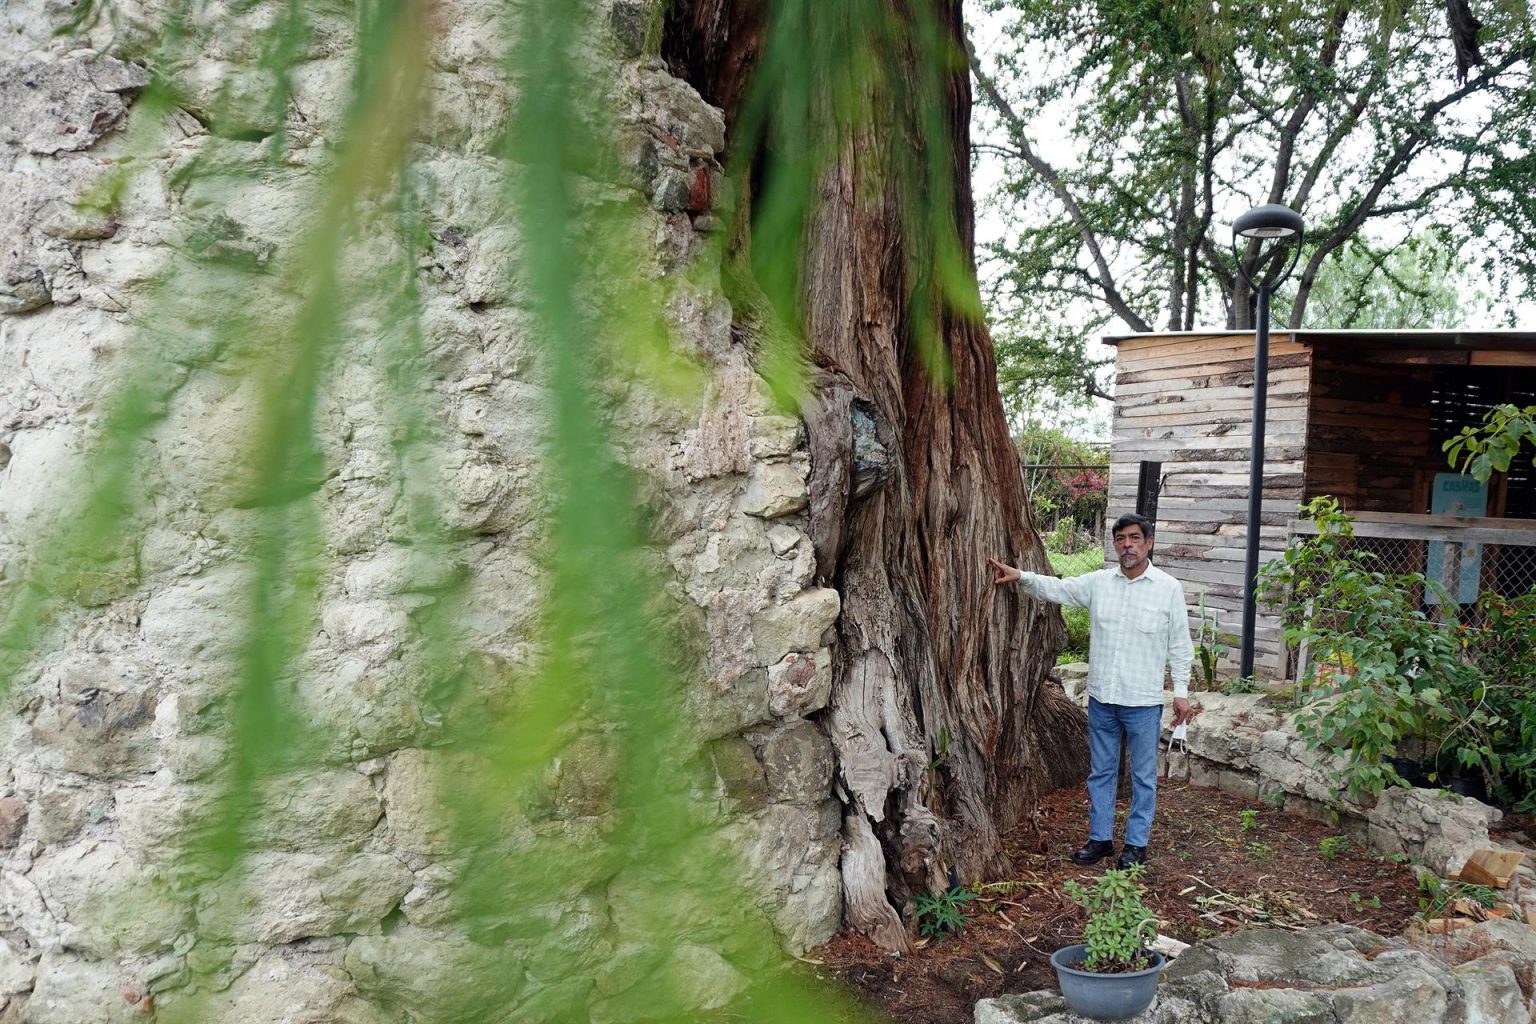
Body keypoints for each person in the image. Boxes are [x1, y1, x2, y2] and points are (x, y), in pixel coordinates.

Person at [989, 513, 1194, 869]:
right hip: (1103, 700)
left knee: (1143, 776)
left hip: (1143, 702)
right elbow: (1060, 588)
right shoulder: (1100, 583)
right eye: (1120, 539)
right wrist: (1021, 577)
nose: (1126, 545)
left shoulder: (1167, 589)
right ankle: (1100, 839)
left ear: (1149, 543)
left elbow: (1180, 645)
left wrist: (1181, 691)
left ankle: (1136, 845)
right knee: (1101, 772)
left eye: (1133, 538)